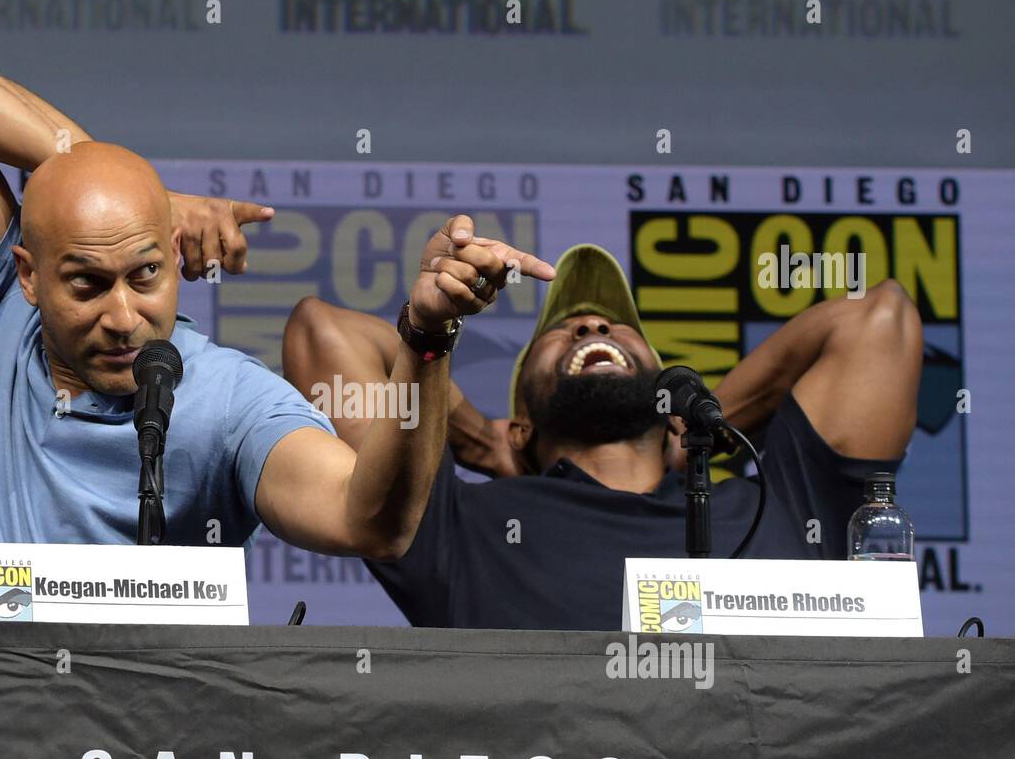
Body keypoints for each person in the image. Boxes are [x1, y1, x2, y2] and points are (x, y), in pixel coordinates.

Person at [0, 39, 555, 619]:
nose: (122, 317)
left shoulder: (230, 401)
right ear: (29, 277)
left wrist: (426, 337)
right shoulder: (0, 311)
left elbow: (372, 521)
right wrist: (128, 183)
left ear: (175, 259)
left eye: (145, 274)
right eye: (86, 282)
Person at [283, 243, 923, 630]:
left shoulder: (776, 504)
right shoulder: (457, 523)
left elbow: (878, 319)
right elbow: (322, 332)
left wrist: (701, 421)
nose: (592, 323)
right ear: (522, 423)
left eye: (616, 325)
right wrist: (484, 443)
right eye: (560, 332)